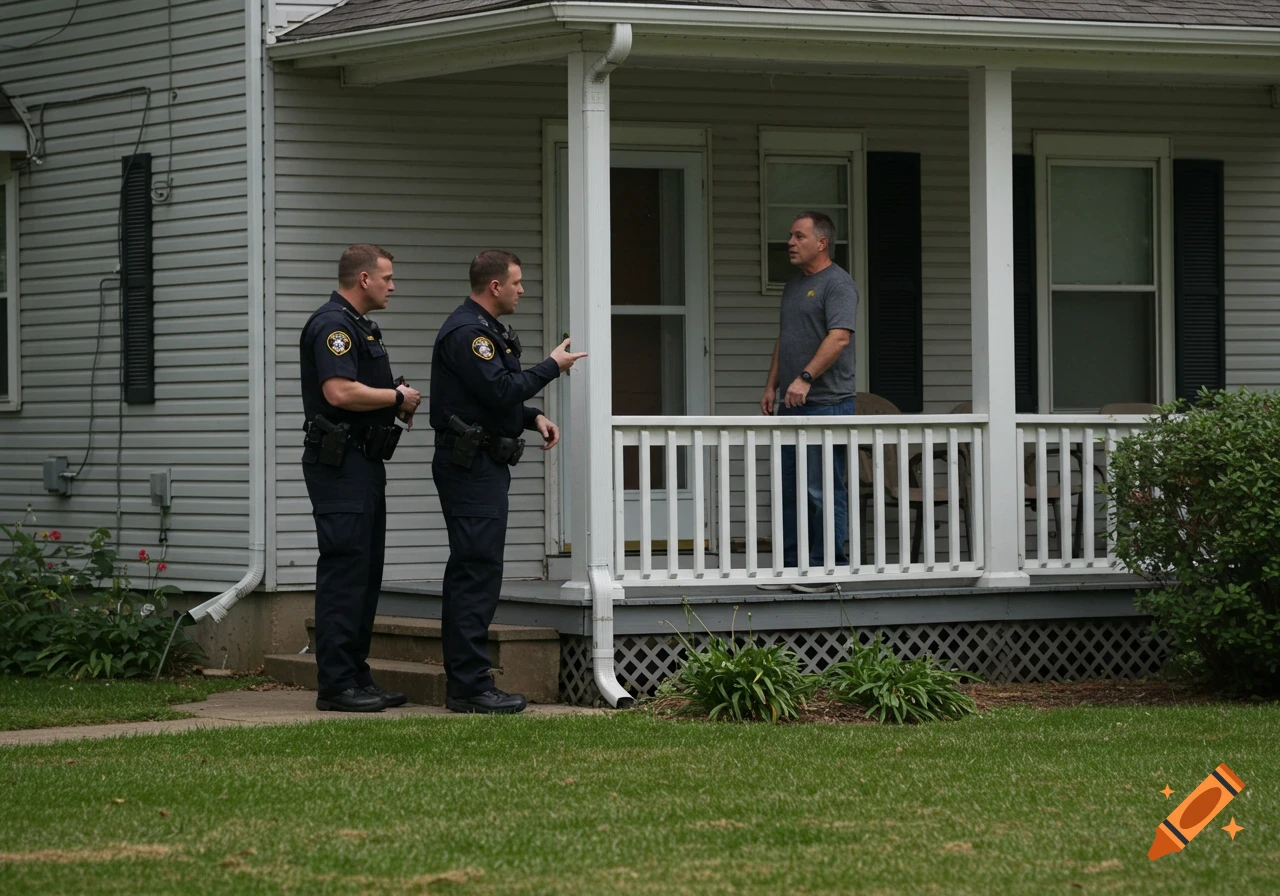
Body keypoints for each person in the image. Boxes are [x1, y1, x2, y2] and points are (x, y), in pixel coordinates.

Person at [429, 250, 586, 713]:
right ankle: (469, 686)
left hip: (482, 464)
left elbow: (490, 399)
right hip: (469, 467)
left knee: (478, 569)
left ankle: (470, 681)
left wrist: (531, 417)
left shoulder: (485, 330)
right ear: (494, 286)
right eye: (516, 283)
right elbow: (500, 387)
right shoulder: (469, 333)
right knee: (475, 571)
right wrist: (552, 367)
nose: (522, 290)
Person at [300, 244, 422, 712]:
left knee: (366, 573)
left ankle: (356, 675)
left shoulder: (360, 327)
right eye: (387, 277)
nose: (392, 286)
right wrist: (395, 398)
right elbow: (339, 391)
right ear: (364, 278)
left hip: (363, 463)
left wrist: (393, 402)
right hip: (340, 466)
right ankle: (335, 685)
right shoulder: (334, 326)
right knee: (345, 570)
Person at [759, 212, 859, 591]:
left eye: (798, 236)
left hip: (828, 403)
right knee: (791, 490)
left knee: (822, 489)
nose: (790, 242)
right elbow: (785, 340)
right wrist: (772, 386)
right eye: (789, 235)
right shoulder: (793, 287)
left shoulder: (838, 285)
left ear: (822, 242)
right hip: (792, 403)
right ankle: (790, 568)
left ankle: (827, 570)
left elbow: (839, 338)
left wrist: (804, 378)